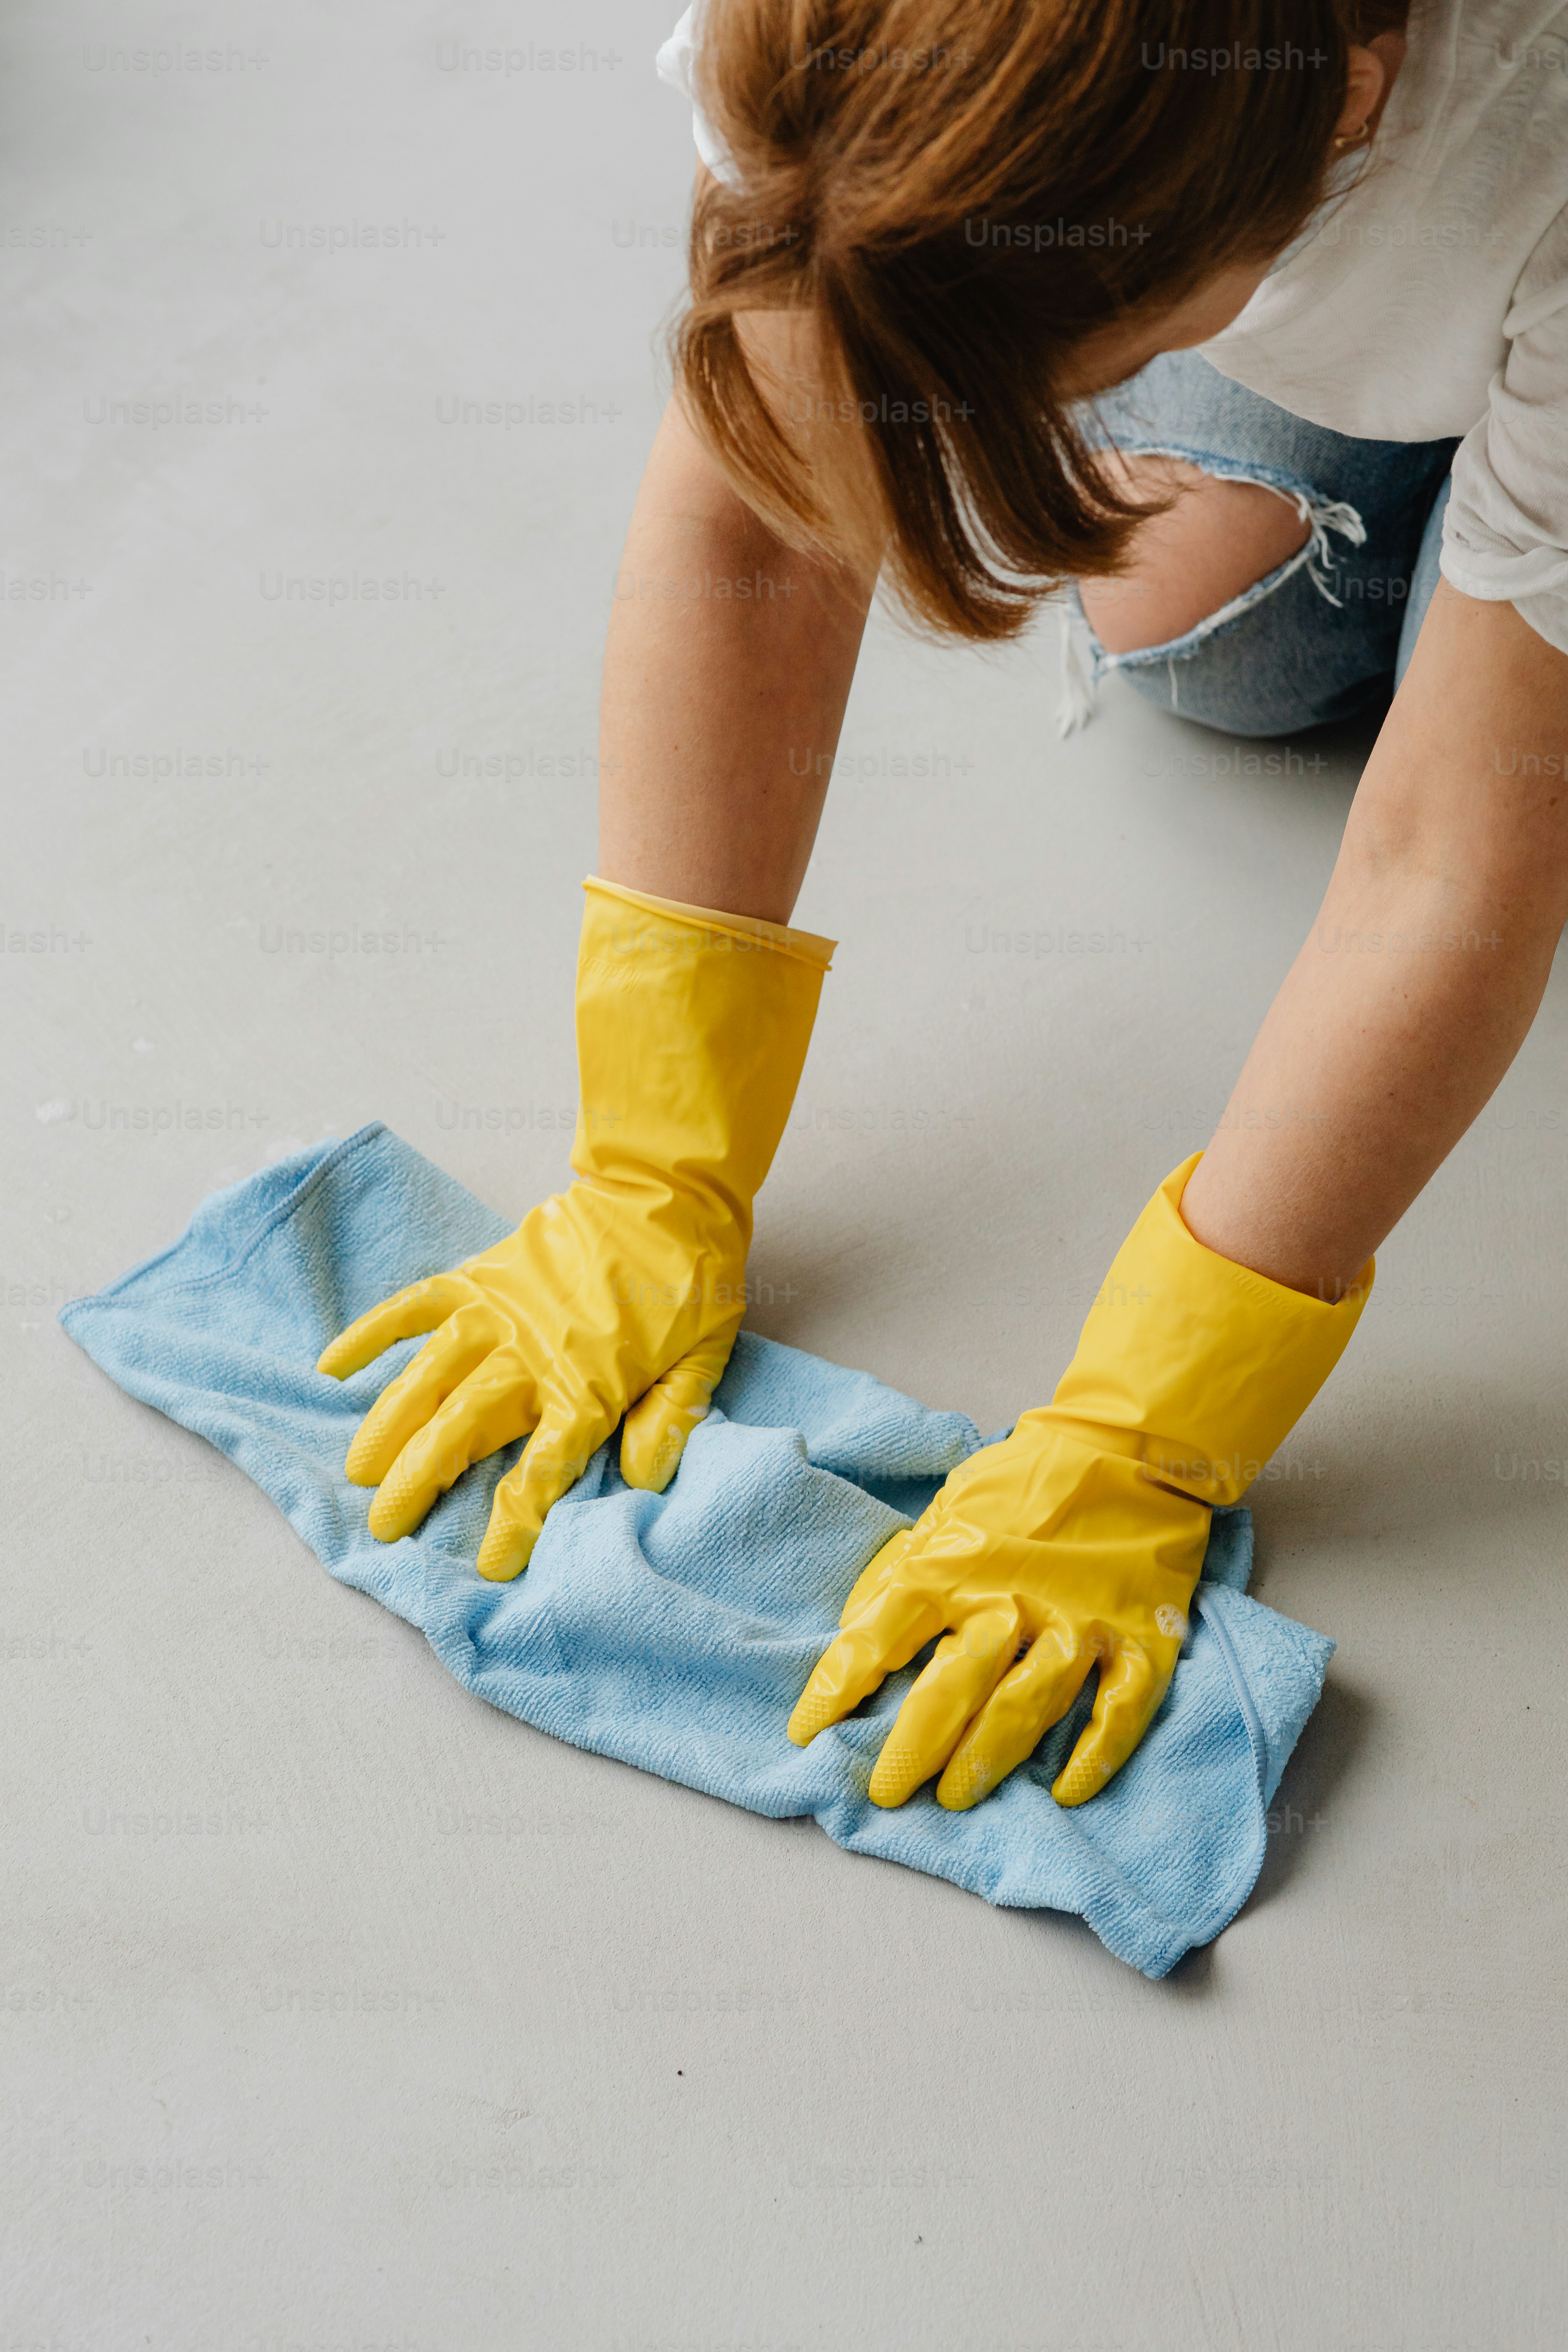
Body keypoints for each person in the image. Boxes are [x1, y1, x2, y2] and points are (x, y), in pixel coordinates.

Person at [318, 0, 1568, 1812]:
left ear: (1346, 107)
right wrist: (654, 1168)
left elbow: (1456, 847)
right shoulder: (844, 39)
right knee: (1204, 635)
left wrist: (1153, 1426)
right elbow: (765, 489)